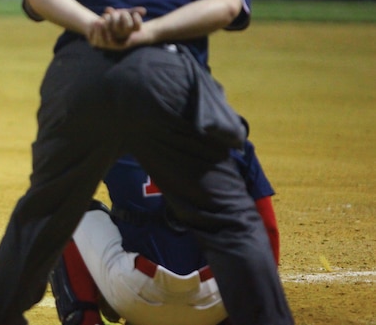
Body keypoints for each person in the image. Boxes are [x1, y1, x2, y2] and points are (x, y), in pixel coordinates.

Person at [0, 0, 293, 325]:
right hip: (164, 72)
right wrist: (153, 31)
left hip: (79, 72)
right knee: (230, 221)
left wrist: (94, 25)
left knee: (45, 209)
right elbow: (227, 7)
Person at [51, 138, 280, 325]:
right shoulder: (231, 141)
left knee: (66, 213)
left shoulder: (114, 135)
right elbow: (267, 230)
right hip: (216, 300)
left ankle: (84, 319)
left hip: (136, 297)